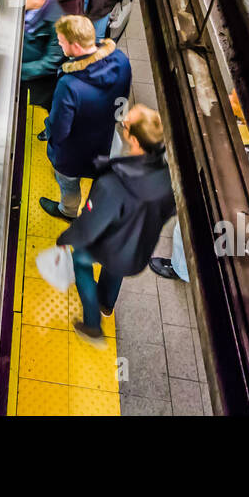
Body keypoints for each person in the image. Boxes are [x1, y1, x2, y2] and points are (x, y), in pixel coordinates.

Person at [57, 103, 175, 344]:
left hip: (111, 244)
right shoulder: (168, 177)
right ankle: (106, 305)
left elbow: (91, 226)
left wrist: (67, 238)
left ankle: (92, 325)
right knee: (116, 268)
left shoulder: (115, 183)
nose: (122, 127)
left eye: (125, 125)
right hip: (136, 251)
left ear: (133, 140)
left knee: (80, 260)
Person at [40, 14, 132, 223]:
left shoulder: (70, 84)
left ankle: (68, 211)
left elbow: (60, 130)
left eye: (62, 41)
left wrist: (53, 149)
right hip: (105, 143)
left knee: (69, 184)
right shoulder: (121, 61)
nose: (60, 45)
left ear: (76, 46)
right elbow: (122, 99)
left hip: (72, 155)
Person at [22, 0, 65, 122]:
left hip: (41, 81)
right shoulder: (26, 6)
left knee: (51, 107)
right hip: (26, 71)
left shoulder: (57, 22)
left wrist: (21, 70)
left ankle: (51, 126)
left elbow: (53, 60)